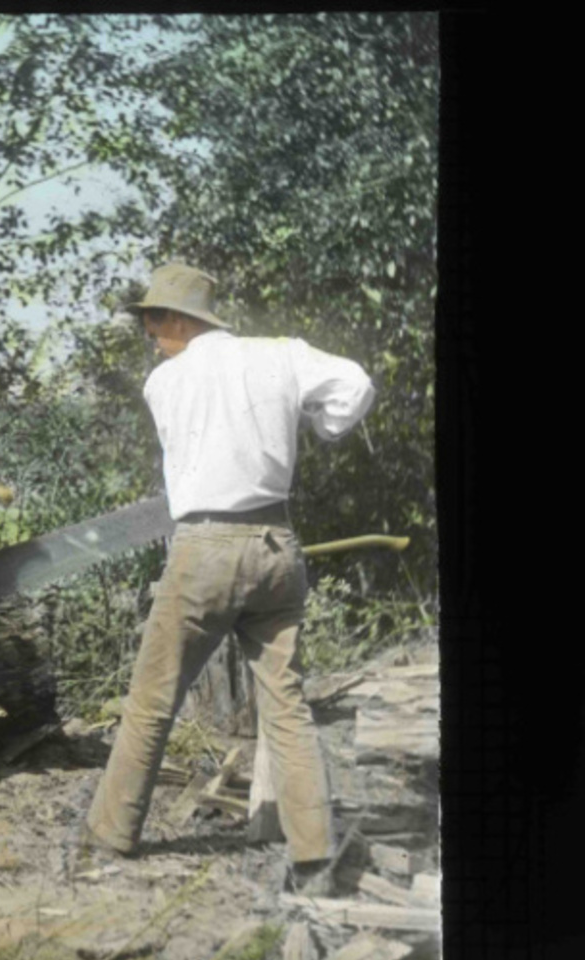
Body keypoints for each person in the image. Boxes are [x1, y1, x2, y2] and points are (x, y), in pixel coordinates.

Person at [83, 262, 375, 894]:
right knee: (287, 705)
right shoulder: (283, 355)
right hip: (275, 545)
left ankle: (110, 835)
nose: (150, 334)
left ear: (184, 320)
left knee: (153, 698)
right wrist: (319, 427)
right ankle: (315, 857)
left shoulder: (165, 382)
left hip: (205, 549)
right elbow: (354, 384)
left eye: (155, 320)